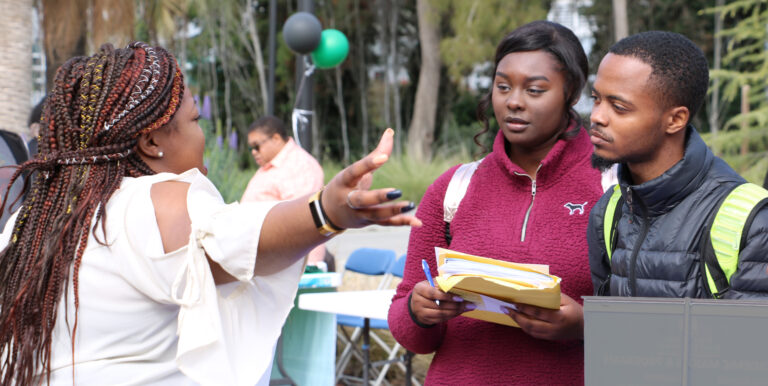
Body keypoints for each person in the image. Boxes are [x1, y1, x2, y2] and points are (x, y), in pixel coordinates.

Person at [0, 42, 420, 385]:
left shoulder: (32, 221)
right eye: (196, 119)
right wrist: (327, 210)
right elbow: (236, 240)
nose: (204, 135)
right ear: (151, 143)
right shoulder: (149, 199)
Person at [388, 21, 603, 384]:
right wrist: (417, 310)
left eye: (535, 90)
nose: (514, 101)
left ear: (572, 92)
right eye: (503, 87)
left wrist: (586, 326)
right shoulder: (453, 188)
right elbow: (407, 326)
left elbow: (650, 326)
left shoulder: (613, 186)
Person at [587, 31, 768, 297]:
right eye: (596, 99)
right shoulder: (609, 212)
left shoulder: (750, 220)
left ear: (675, 119)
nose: (596, 117)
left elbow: (752, 338)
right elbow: (611, 327)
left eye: (619, 107)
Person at [241, 116, 327, 268]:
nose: (254, 152)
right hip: (270, 259)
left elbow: (302, 219)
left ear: (276, 138)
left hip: (293, 264)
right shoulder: (271, 165)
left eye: (256, 146)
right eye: (251, 148)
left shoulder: (300, 165)